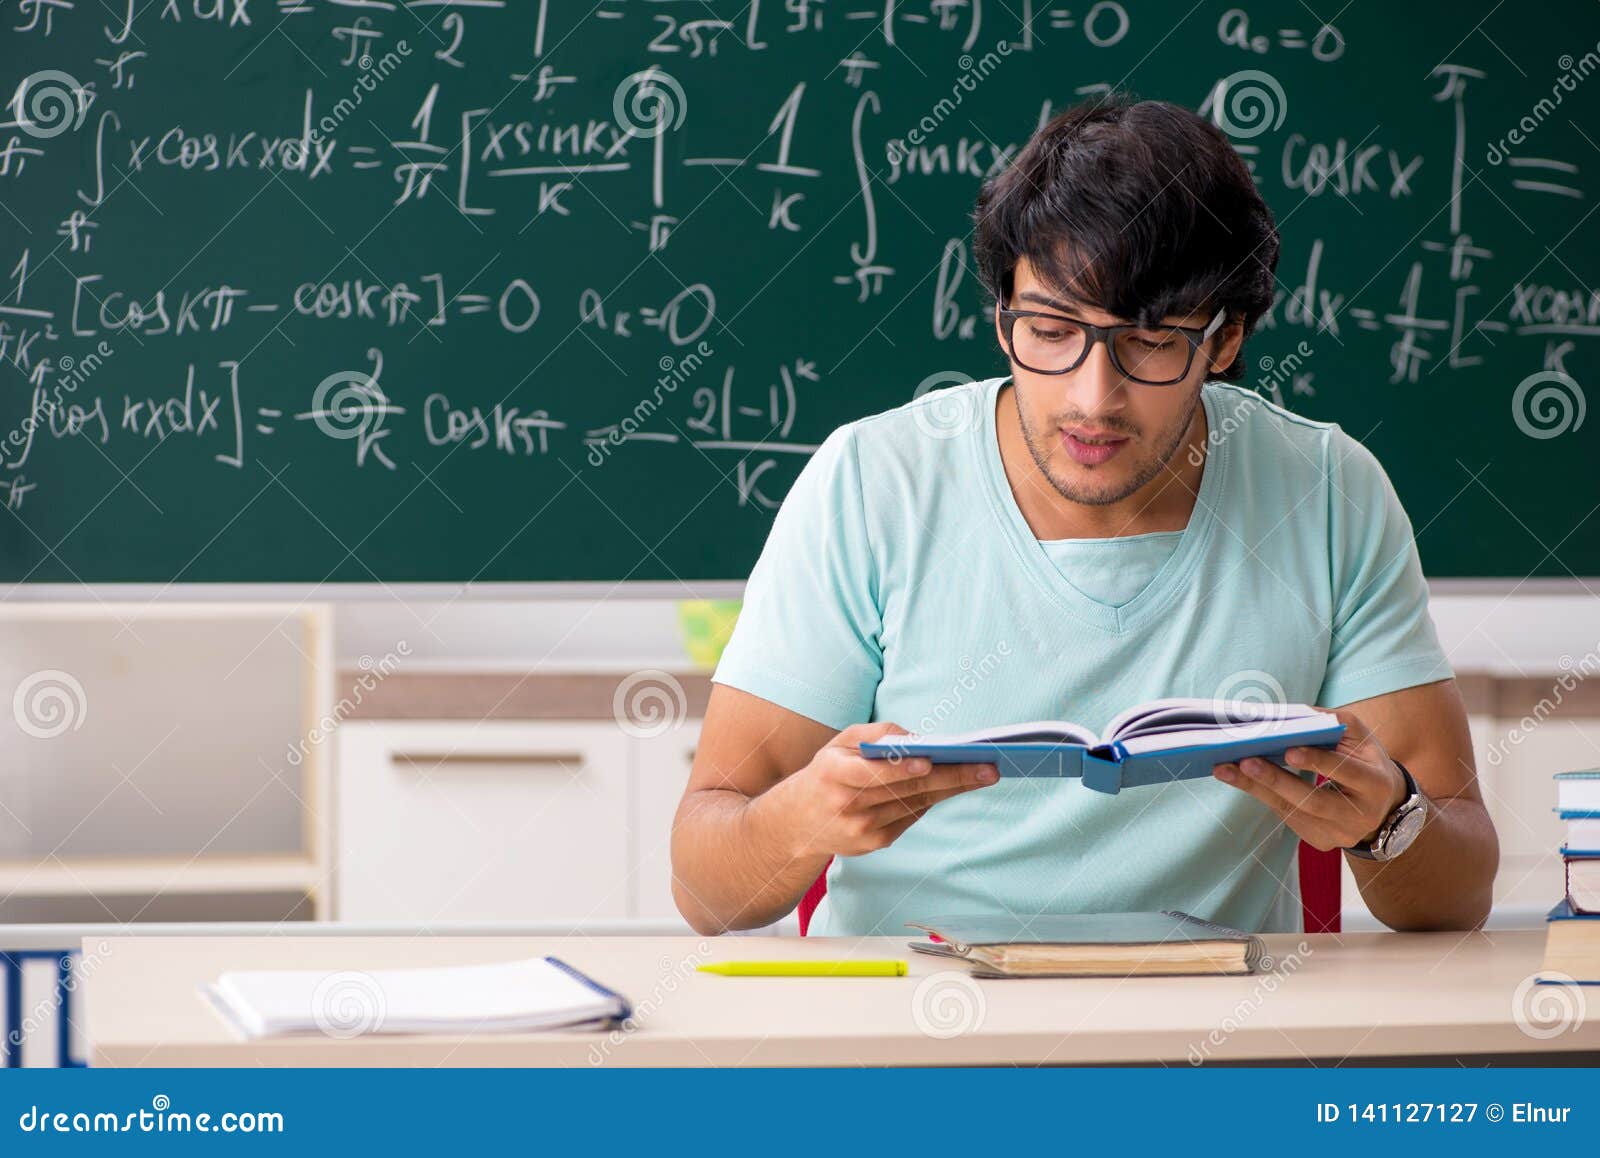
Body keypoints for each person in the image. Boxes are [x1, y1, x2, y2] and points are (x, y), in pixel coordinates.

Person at [671, 97, 1498, 936]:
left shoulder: (1326, 491)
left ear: (1223, 339)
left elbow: (1458, 893)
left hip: (1207, 1046)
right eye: (1052, 328)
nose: (1091, 399)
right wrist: (801, 821)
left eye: (1148, 341)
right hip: (912, 1039)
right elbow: (706, 888)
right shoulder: (870, 482)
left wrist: (1389, 820)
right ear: (1002, 315)